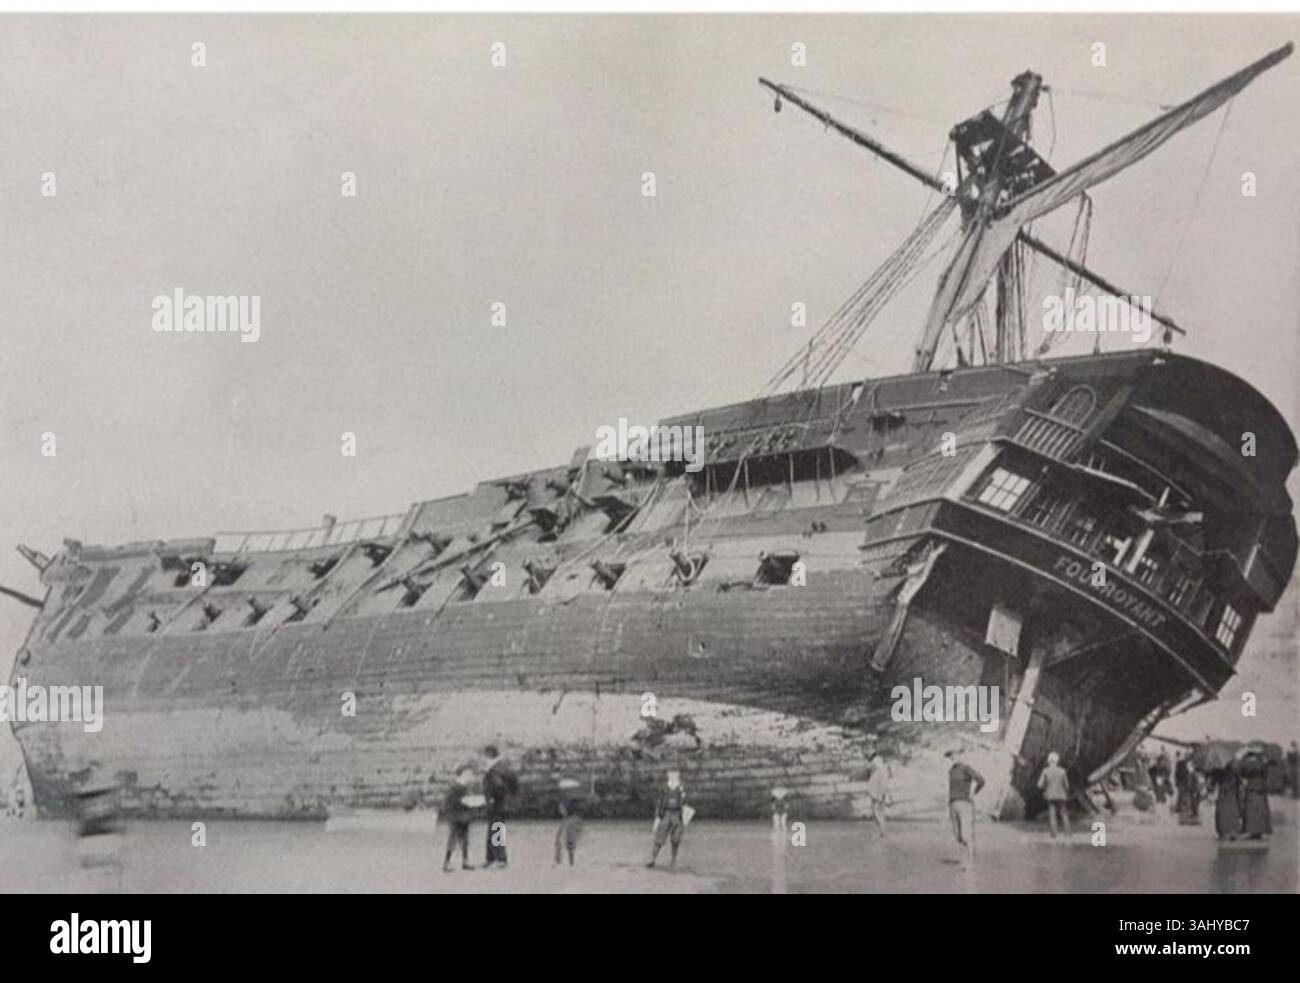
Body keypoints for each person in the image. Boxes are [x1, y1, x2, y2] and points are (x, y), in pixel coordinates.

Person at [481, 745, 517, 869]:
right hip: (499, 803)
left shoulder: (494, 769)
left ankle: (500, 859)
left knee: (496, 830)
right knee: (494, 830)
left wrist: (491, 798)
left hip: (497, 803)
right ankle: (492, 858)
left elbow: (497, 786)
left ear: (489, 755)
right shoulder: (501, 768)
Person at [946, 750, 984, 866]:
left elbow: (981, 780)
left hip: (965, 803)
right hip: (953, 803)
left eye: (954, 755)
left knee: (965, 833)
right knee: (957, 835)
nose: (952, 758)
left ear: (959, 756)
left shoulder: (966, 768)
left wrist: (974, 793)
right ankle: (967, 856)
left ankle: (970, 860)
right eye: (950, 756)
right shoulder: (951, 771)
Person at [647, 769, 688, 869]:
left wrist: (684, 818)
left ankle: (673, 860)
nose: (673, 776)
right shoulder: (664, 788)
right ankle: (653, 859)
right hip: (666, 814)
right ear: (668, 776)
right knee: (659, 838)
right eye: (671, 774)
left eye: (675, 774)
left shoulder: (681, 788)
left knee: (676, 840)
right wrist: (657, 817)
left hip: (677, 815)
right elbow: (660, 803)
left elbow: (685, 803)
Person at [441, 769, 477, 872]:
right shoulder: (456, 787)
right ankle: (447, 862)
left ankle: (465, 861)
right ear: (463, 774)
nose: (471, 777)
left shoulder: (461, 786)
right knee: (454, 839)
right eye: (469, 775)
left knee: (464, 839)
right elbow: (449, 803)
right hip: (457, 816)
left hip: (461, 815)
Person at [1238, 746, 1273, 839]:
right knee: (1261, 809)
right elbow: (1265, 775)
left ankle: (1252, 830)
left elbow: (1242, 773)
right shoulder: (1262, 764)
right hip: (1261, 788)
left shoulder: (1247, 764)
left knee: (1251, 809)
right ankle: (1260, 830)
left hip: (1251, 787)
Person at [1037, 751, 1071, 837]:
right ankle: (1068, 833)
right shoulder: (1062, 771)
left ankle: (1054, 834)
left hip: (1050, 796)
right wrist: (1066, 792)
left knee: (1052, 815)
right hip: (1061, 796)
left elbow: (1039, 785)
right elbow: (1067, 785)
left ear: (1048, 761)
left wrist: (1045, 788)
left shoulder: (1045, 771)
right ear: (1057, 761)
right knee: (1064, 814)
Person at [554, 778, 583, 866]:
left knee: (566, 843)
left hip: (569, 821)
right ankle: (565, 861)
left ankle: (566, 862)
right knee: (562, 842)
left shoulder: (567, 802)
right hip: (569, 821)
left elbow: (565, 813)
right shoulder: (569, 801)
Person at [1212, 763, 1243, 841]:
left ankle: (1223, 831)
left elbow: (1214, 782)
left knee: (1222, 812)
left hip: (1223, 793)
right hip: (1232, 793)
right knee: (1232, 811)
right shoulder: (1235, 769)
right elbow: (1239, 782)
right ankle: (1233, 830)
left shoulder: (1218, 770)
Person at [864, 751, 889, 838]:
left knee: (875, 810)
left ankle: (881, 830)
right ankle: (881, 831)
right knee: (879, 810)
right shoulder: (881, 767)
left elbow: (869, 772)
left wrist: (879, 793)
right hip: (879, 790)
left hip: (877, 790)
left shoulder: (876, 767)